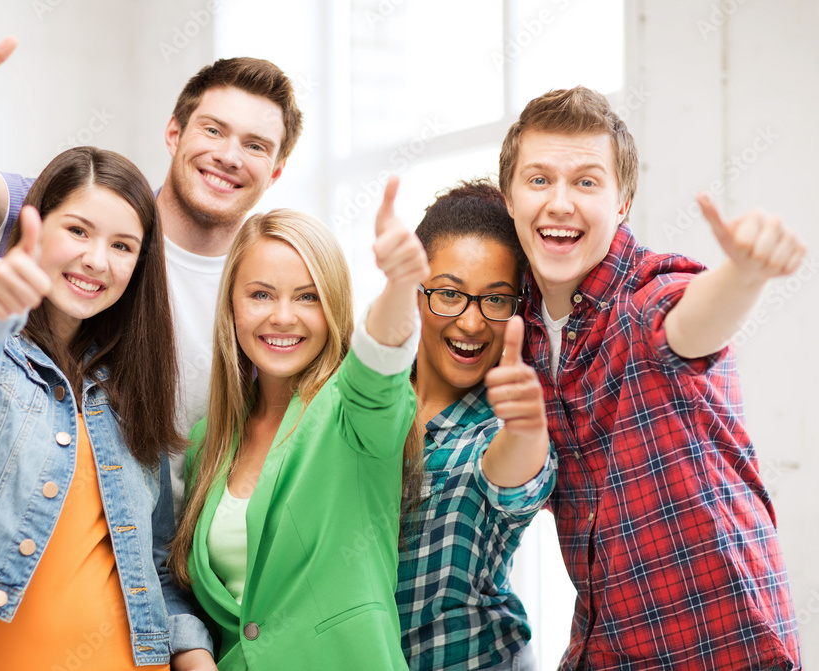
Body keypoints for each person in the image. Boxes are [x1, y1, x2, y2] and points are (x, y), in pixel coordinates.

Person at [0, 38, 303, 521]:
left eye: (255, 145)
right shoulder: (75, 225)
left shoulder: (273, 298)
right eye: (214, 130)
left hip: (184, 571)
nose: (229, 156)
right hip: (53, 551)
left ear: (276, 170)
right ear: (174, 133)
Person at [498, 86, 803, 669]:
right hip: (608, 642)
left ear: (622, 202)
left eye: (586, 181)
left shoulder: (645, 295)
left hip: (726, 645)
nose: (560, 202)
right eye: (539, 180)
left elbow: (688, 319)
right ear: (509, 199)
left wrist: (744, 275)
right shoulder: (523, 330)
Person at [0, 146, 215, 670]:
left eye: (123, 245)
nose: (96, 259)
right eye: (77, 231)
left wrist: (195, 653)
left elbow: (156, 567)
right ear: (36, 229)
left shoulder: (133, 394)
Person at [168, 178, 429, 669]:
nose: (283, 317)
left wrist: (399, 286)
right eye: (262, 295)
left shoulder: (349, 413)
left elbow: (379, 368)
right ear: (232, 306)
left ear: (333, 306)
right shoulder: (209, 440)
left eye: (307, 297)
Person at [396, 179, 556, 671]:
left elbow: (513, 478)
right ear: (415, 291)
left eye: (496, 299)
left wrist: (526, 428)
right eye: (449, 293)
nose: (470, 323)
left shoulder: (495, 426)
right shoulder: (370, 396)